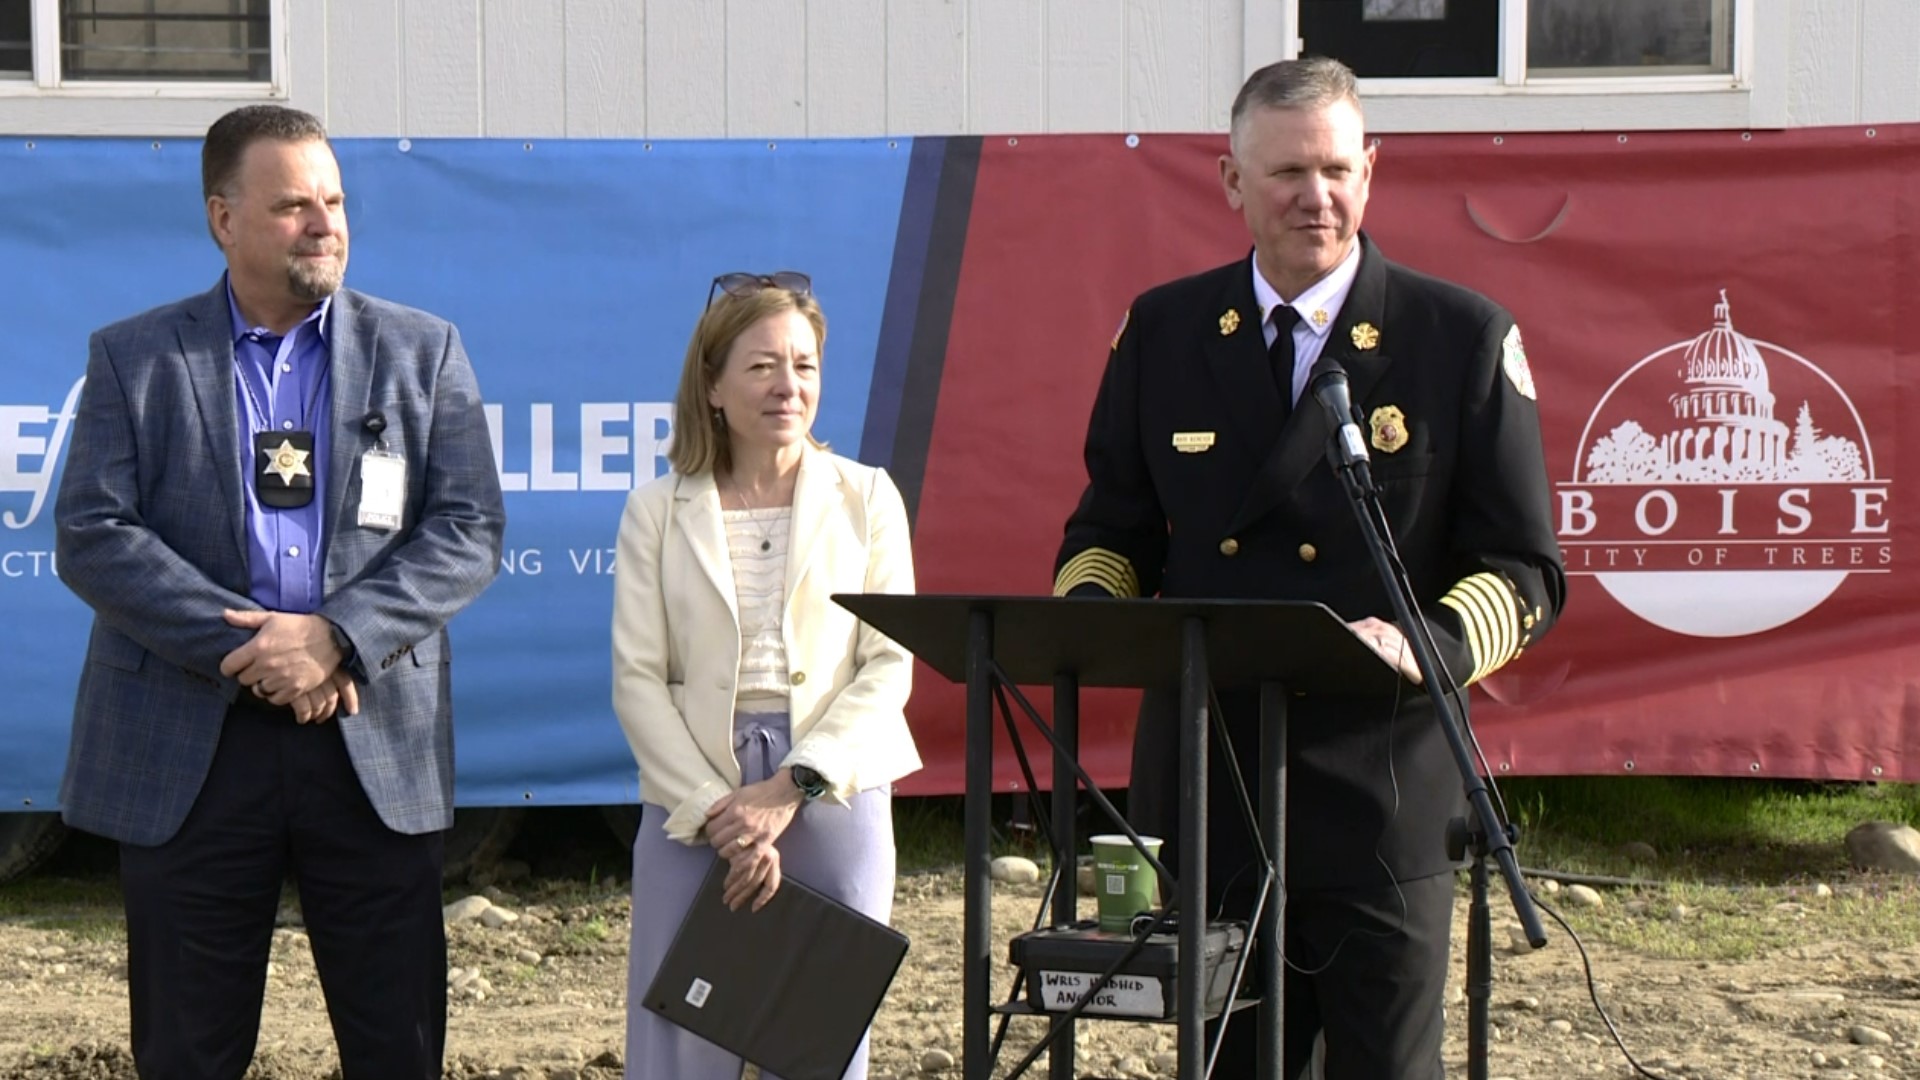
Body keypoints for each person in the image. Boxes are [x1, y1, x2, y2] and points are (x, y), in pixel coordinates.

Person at [1053, 57, 1566, 1079]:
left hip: (1383, 786)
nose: (1314, 196)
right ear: (1233, 182)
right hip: (1214, 782)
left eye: (1336, 169)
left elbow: (1523, 569)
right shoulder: (1163, 334)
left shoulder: (1456, 338)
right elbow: (1109, 531)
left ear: (1370, 174)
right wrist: (1088, 620)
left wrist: (1426, 643)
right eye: (1286, 172)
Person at [53, 104, 506, 1079]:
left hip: (368, 736)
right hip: (193, 745)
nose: (325, 223)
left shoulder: (422, 351)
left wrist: (337, 636)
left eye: (334, 201)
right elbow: (93, 533)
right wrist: (257, 651)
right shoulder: (137, 358)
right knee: (187, 1050)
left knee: (399, 1047)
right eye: (294, 205)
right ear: (224, 219)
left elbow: (468, 528)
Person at [611, 271, 921, 1080]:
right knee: (683, 1035)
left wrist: (788, 791)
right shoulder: (655, 509)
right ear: (712, 385)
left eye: (806, 364)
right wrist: (722, 813)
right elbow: (639, 679)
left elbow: (889, 664)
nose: (789, 385)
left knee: (820, 1040)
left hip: (833, 792)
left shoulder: (870, 498)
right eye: (762, 366)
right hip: (693, 798)